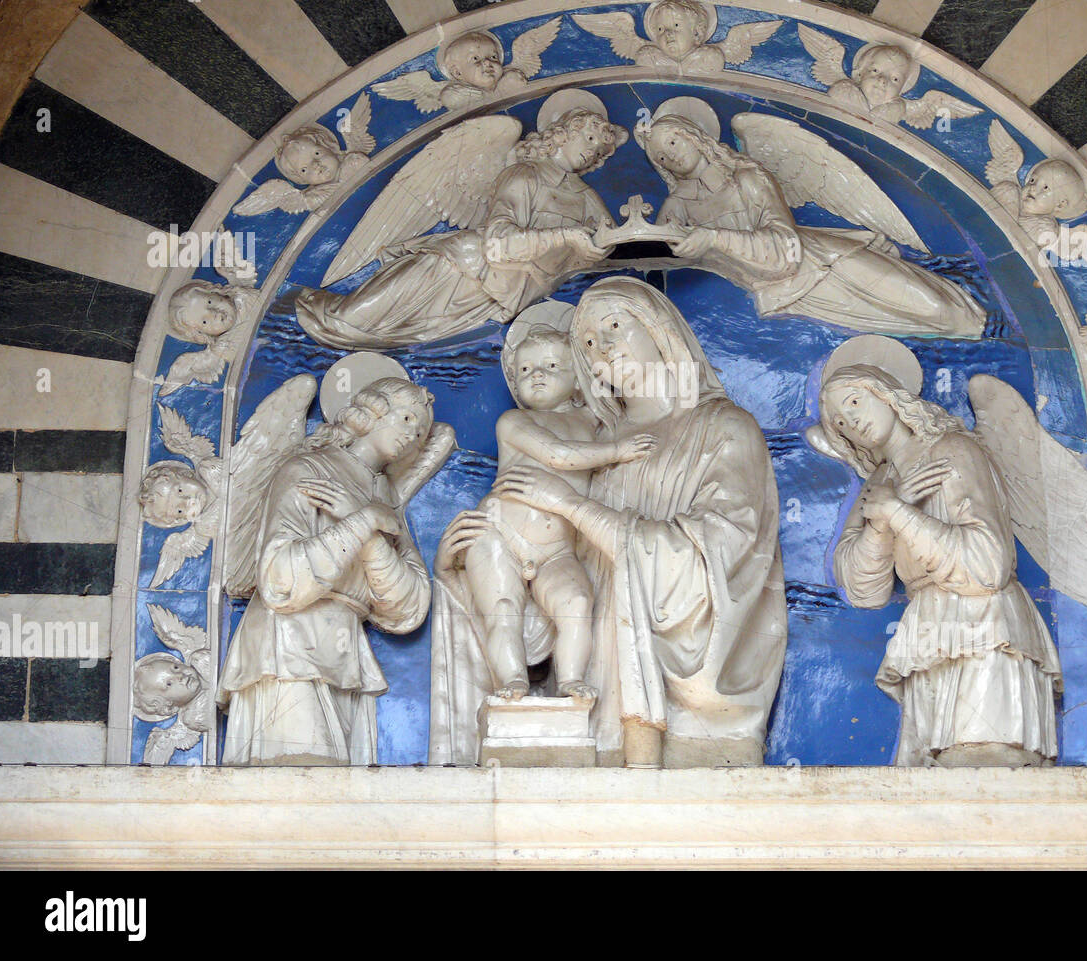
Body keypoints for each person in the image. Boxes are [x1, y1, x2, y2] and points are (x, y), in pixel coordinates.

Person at [433, 278, 788, 768]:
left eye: (616, 327)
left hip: (684, 706)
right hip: (593, 696)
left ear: (659, 329)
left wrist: (575, 508)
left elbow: (718, 553)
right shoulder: (591, 444)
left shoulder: (724, 429)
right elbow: (535, 569)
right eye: (589, 345)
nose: (604, 350)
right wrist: (455, 568)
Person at [815, 341, 1062, 767]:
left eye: (855, 401)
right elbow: (863, 590)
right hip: (930, 636)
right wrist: (881, 520)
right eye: (839, 422)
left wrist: (900, 514)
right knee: (934, 791)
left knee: (985, 775)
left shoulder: (952, 451)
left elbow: (989, 566)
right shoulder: (879, 484)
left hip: (985, 631)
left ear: (888, 393)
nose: (851, 420)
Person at [216, 377, 438, 765]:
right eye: (405, 418)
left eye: (419, 431)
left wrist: (365, 526)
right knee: (296, 783)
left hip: (344, 653)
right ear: (372, 412)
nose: (412, 435)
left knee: (335, 797)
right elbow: (278, 579)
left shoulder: (383, 494)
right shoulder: (307, 469)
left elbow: (409, 606)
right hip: (288, 649)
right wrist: (363, 522)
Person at [444, 307, 655, 704]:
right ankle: (512, 682)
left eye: (551, 365)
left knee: (576, 601)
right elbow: (558, 456)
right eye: (524, 371)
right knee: (503, 609)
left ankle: (572, 679)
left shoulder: (595, 425)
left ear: (579, 379)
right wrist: (617, 451)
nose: (536, 374)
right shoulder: (513, 422)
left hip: (556, 547)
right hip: (498, 534)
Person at [294, 104, 628, 350]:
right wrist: (567, 237)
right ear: (564, 133)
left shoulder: (586, 198)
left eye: (599, 148)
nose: (592, 150)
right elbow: (497, 244)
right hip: (464, 266)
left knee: (407, 332)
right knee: (353, 320)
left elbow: (606, 244)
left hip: (505, 294)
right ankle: (336, 316)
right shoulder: (526, 174)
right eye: (588, 137)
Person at [637, 108, 985, 338]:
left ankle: (989, 322)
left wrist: (713, 239)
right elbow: (659, 264)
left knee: (940, 308)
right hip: (791, 297)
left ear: (695, 136)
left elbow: (785, 251)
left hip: (821, 260)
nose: (672, 154)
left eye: (672, 141)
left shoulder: (747, 179)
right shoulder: (676, 208)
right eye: (661, 156)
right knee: (921, 326)